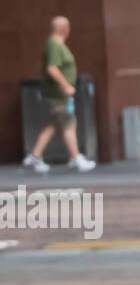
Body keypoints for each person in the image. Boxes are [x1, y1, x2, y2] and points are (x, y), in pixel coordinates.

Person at [22, 16, 95, 173]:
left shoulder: (55, 44)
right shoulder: (54, 45)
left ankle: (35, 156)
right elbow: (52, 68)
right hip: (59, 93)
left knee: (55, 124)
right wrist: (66, 85)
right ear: (64, 29)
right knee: (68, 122)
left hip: (58, 93)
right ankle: (75, 158)